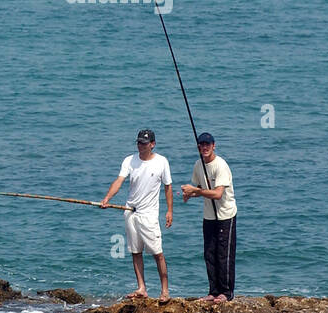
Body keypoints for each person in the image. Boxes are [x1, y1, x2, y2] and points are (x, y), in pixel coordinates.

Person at [101, 129, 173, 300]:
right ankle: (142, 288)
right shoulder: (129, 160)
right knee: (135, 251)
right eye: (139, 142)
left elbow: (168, 187)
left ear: (152, 144)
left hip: (149, 215)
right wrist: (107, 198)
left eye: (144, 143)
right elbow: (119, 181)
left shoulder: (162, 162)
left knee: (158, 253)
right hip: (130, 211)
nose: (141, 146)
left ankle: (165, 291)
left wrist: (169, 210)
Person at [180, 132, 236, 301]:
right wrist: (190, 194)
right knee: (209, 253)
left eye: (207, 144)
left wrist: (195, 191)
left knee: (223, 254)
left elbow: (218, 194)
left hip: (225, 215)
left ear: (214, 146)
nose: (204, 147)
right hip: (209, 216)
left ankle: (226, 293)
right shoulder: (198, 165)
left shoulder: (220, 165)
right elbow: (199, 188)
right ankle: (213, 291)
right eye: (201, 145)